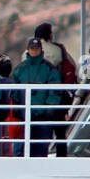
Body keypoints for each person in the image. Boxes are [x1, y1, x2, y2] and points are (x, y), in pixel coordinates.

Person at [11, 38, 61, 158]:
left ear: (41, 50)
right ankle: (23, 174)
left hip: (43, 117)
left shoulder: (49, 68)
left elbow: (55, 90)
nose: (35, 51)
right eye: (32, 49)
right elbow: (15, 91)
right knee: (22, 150)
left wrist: (49, 109)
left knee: (41, 149)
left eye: (37, 48)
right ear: (28, 50)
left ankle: (40, 174)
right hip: (25, 116)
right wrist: (18, 110)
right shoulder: (20, 69)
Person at [35, 23, 77, 156]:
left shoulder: (27, 52)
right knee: (59, 132)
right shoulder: (58, 50)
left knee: (38, 133)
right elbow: (71, 66)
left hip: (37, 99)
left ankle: (39, 158)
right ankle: (61, 158)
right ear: (50, 35)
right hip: (57, 97)